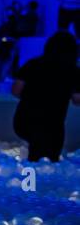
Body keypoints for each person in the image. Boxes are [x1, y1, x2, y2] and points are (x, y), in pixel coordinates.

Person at [12, 30, 80, 162]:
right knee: (50, 160)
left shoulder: (32, 64)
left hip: (24, 119)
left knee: (35, 154)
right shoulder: (73, 71)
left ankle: (29, 173)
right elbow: (77, 100)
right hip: (52, 124)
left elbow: (16, 90)